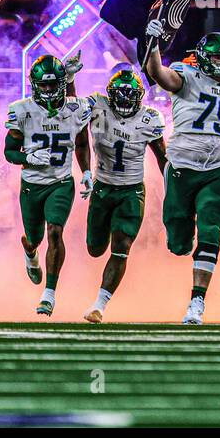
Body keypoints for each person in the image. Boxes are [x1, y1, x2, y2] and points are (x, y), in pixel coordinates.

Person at [144, 29, 220, 325]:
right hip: (182, 167)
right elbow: (156, 71)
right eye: (217, 56)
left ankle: (197, 301)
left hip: (218, 168)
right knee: (178, 244)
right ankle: (181, 244)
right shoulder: (186, 77)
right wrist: (153, 43)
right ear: (204, 56)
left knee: (210, 229)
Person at [4, 54, 91, 317]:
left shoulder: (75, 109)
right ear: (34, 84)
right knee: (35, 239)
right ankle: (30, 252)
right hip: (32, 185)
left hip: (61, 183)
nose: (49, 91)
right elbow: (9, 152)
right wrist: (28, 157)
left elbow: (82, 142)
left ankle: (49, 294)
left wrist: (86, 171)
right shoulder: (22, 110)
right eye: (44, 86)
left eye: (54, 85)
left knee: (55, 232)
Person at [81, 69, 166, 322]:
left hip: (131, 191)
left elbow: (163, 159)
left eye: (131, 95)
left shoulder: (149, 119)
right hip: (102, 188)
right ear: (111, 95)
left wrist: (176, 194)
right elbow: (70, 114)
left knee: (121, 247)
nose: (127, 99)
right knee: (95, 249)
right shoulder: (97, 106)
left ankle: (100, 304)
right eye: (121, 94)